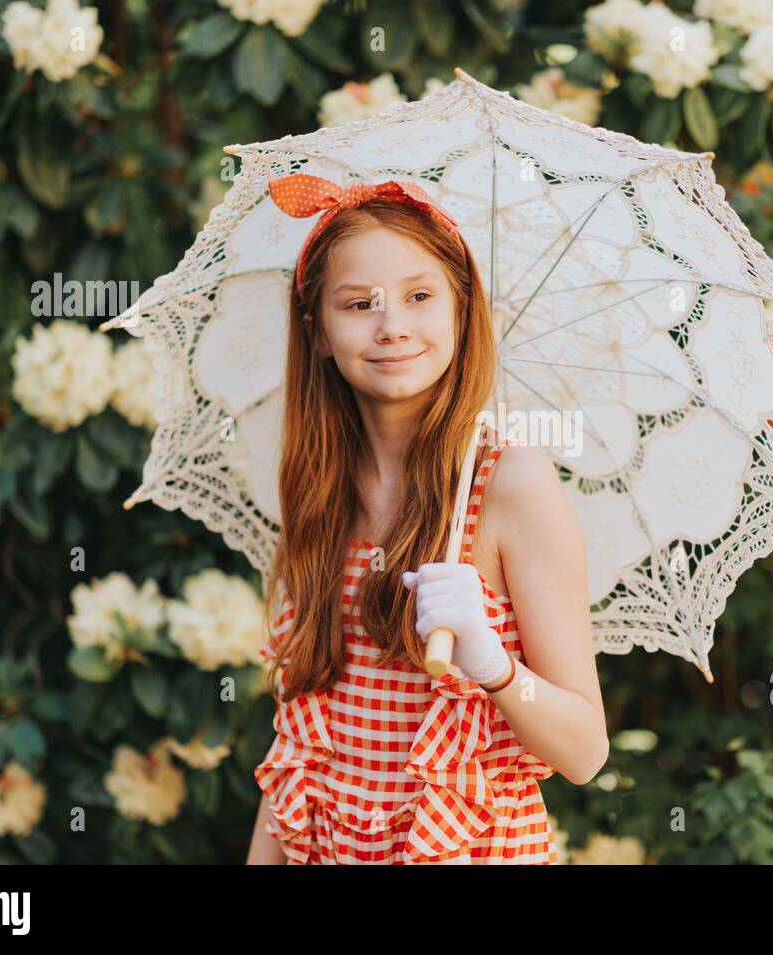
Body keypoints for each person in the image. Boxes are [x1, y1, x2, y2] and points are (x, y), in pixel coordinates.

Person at [245, 174, 606, 864]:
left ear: (461, 312)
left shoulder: (510, 483)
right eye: (359, 303)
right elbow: (297, 744)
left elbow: (586, 749)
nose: (393, 326)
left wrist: (494, 665)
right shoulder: (319, 487)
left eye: (419, 296)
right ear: (317, 331)